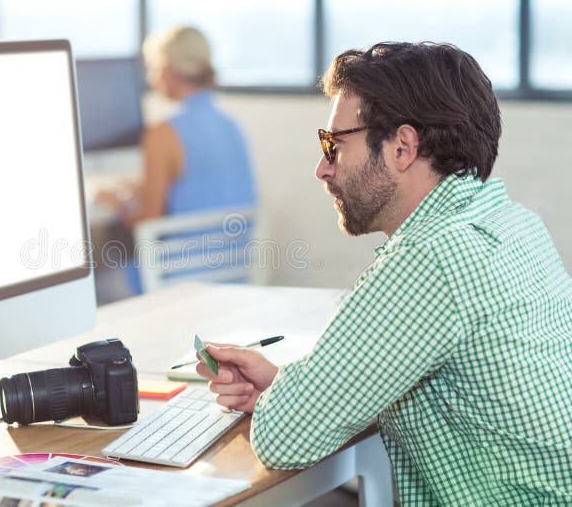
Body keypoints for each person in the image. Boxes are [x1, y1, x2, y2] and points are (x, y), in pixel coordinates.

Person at [197, 42, 572, 505]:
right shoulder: (511, 223)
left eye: (334, 144)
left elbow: (284, 438)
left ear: (402, 147)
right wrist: (287, 385)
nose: (322, 168)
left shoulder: (431, 258)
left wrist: (290, 400)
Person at [97, 25, 256, 226]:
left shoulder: (162, 134)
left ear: (168, 69)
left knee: (101, 255)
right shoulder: (232, 125)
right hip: (237, 256)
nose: (150, 77)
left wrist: (114, 203)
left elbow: (148, 224)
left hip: (180, 257)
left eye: (153, 67)